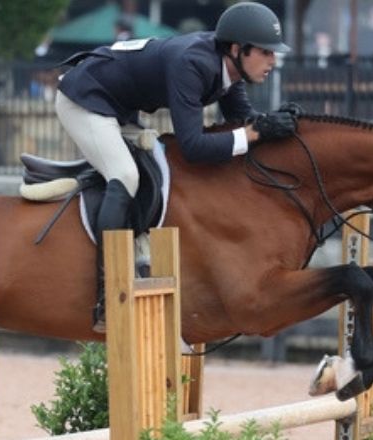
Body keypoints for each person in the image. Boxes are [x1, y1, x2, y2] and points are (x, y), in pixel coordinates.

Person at [55, 2, 298, 332]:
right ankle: (108, 294)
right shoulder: (193, 63)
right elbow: (194, 146)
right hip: (86, 100)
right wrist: (256, 132)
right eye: (266, 52)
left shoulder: (228, 69)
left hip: (118, 108)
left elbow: (243, 121)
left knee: (160, 164)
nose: (273, 61)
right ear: (238, 49)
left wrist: (278, 124)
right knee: (125, 175)